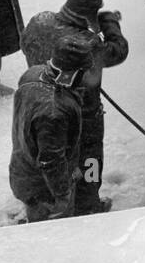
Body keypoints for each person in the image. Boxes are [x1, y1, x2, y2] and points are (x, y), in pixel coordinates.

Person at [21, 0, 129, 215]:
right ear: (92, 11)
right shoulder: (86, 44)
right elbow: (118, 51)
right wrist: (109, 22)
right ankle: (88, 202)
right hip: (83, 114)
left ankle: (50, 199)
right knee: (90, 159)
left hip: (39, 100)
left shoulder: (39, 22)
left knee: (48, 154)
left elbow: (25, 44)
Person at [9, 32, 96, 223]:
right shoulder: (54, 112)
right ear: (71, 74)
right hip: (43, 188)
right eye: (84, 71)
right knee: (52, 230)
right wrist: (63, 195)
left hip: (23, 168)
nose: (88, 75)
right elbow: (51, 160)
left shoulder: (33, 74)